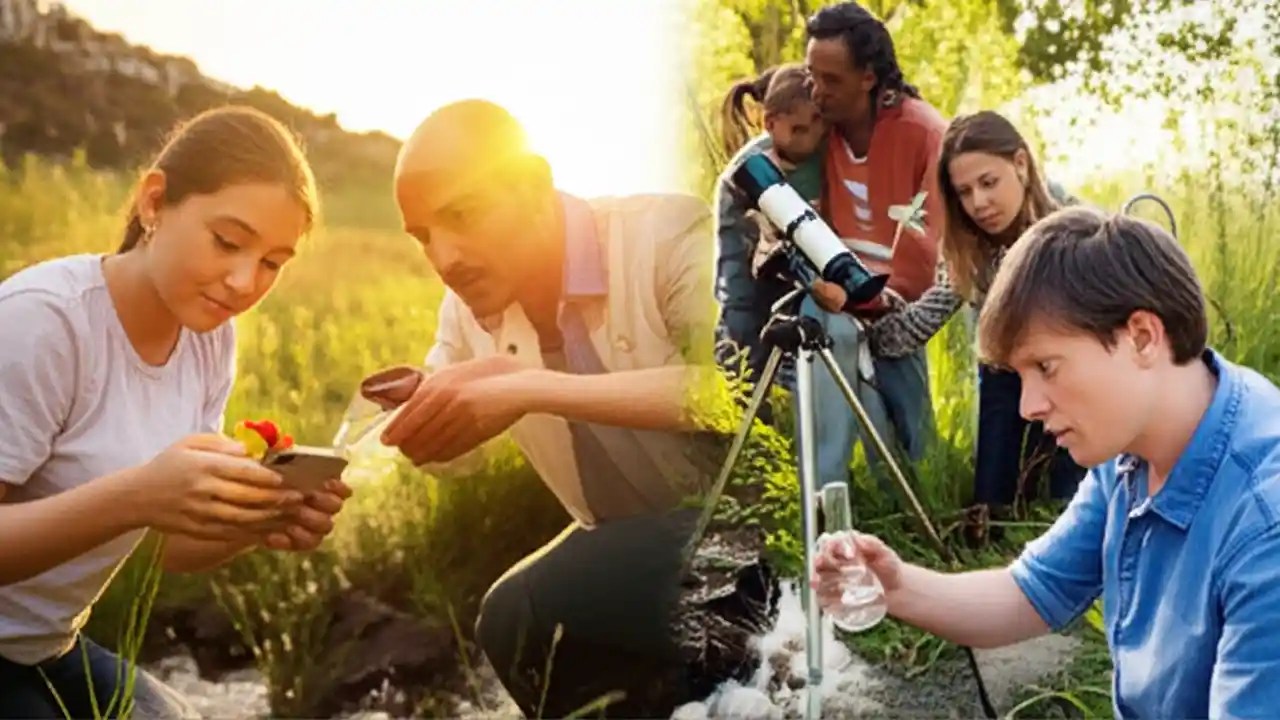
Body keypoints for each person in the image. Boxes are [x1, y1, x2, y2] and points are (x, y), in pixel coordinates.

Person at [811, 206, 1280, 719]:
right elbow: (1034, 593)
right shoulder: (1133, 441)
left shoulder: (1264, 527)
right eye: (1020, 374)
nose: (1027, 407)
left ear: (1142, 336)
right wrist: (896, 586)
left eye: (1046, 367)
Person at [0, 106, 352, 719]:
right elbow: (137, 505)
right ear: (154, 203)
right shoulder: (44, 323)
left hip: (43, 648)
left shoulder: (209, 336)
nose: (245, 282)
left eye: (273, 262)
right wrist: (136, 496)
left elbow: (167, 548)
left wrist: (254, 521)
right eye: (228, 242)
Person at [379, 99, 723, 719]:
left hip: (748, 535)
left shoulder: (669, 235)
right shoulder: (464, 312)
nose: (443, 257)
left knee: (524, 610)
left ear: (533, 184)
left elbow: (736, 388)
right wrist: (422, 417)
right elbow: (463, 457)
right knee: (510, 627)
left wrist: (526, 388)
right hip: (624, 557)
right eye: (424, 235)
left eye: (463, 215)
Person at [864, 110, 1087, 526]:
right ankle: (1002, 507)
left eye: (989, 183)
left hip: (1071, 378)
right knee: (991, 506)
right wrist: (865, 329)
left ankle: (1068, 501)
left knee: (1065, 500)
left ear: (1020, 165)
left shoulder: (1071, 226)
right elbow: (924, 319)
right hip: (1006, 381)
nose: (979, 203)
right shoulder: (972, 247)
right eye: (964, 192)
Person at [797, 1, 949, 488]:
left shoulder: (923, 131)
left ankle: (922, 500)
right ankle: (826, 495)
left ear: (868, 77)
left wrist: (888, 303)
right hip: (834, 291)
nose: (818, 92)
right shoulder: (819, 131)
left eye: (831, 80)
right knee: (830, 363)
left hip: (901, 300)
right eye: (811, 76)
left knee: (912, 426)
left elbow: (933, 240)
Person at [714, 62, 826, 395]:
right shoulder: (748, 172)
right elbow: (738, 279)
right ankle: (740, 399)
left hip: (802, 255)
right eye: (800, 129)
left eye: (819, 124)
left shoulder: (827, 153)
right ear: (770, 124)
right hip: (748, 247)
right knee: (744, 321)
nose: (812, 137)